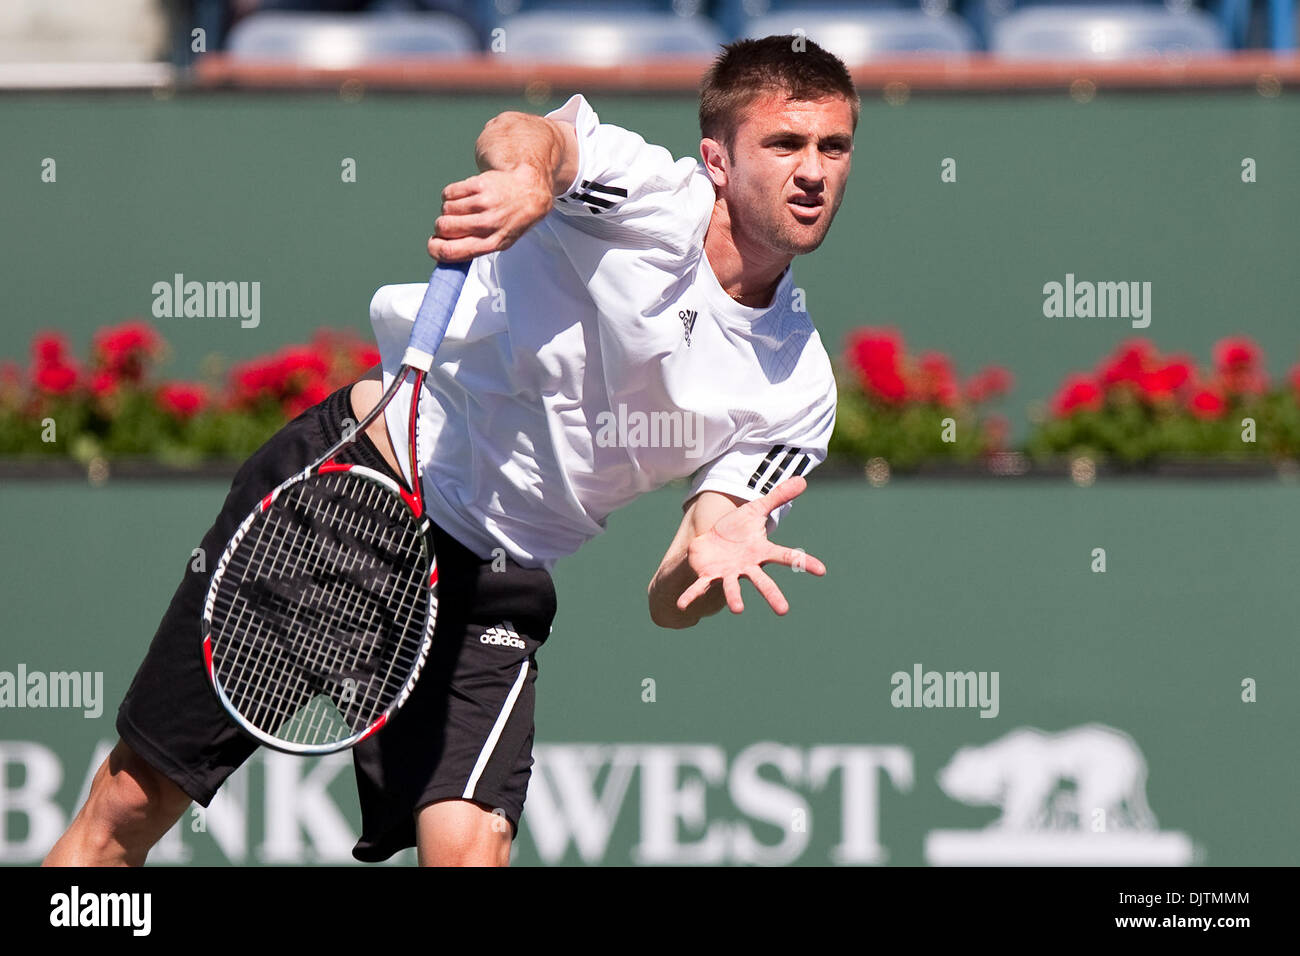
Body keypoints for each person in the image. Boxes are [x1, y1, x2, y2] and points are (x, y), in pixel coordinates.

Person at [43, 34, 856, 867]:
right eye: (784, 143)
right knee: (125, 813)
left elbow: (670, 599)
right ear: (717, 160)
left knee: (472, 851)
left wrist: (704, 563)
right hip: (353, 495)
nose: (813, 170)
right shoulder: (648, 197)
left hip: (492, 581)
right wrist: (528, 180)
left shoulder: (797, 390)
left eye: (833, 146)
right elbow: (525, 130)